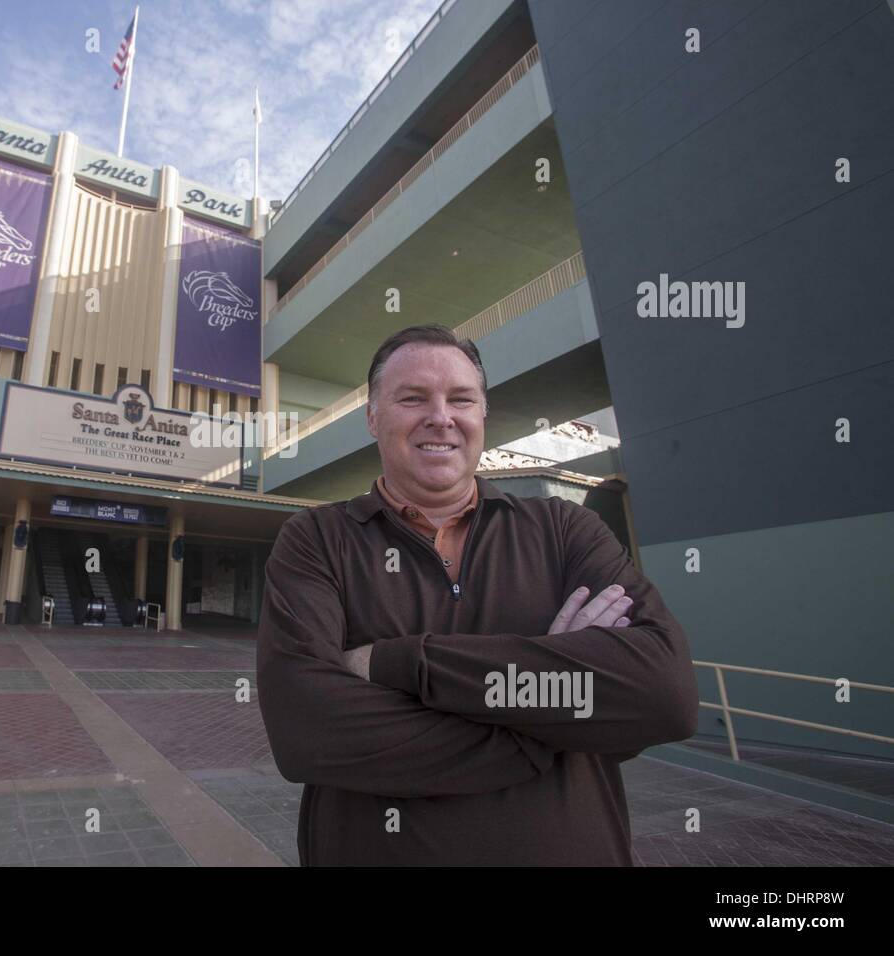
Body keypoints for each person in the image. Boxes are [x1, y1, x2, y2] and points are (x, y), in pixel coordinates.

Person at [256, 324, 699, 865]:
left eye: (461, 399)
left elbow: (663, 694)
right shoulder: (316, 540)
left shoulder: (566, 529)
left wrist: (401, 662)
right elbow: (308, 732)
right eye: (412, 398)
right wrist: (551, 715)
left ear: (482, 414)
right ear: (373, 418)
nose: (440, 417)